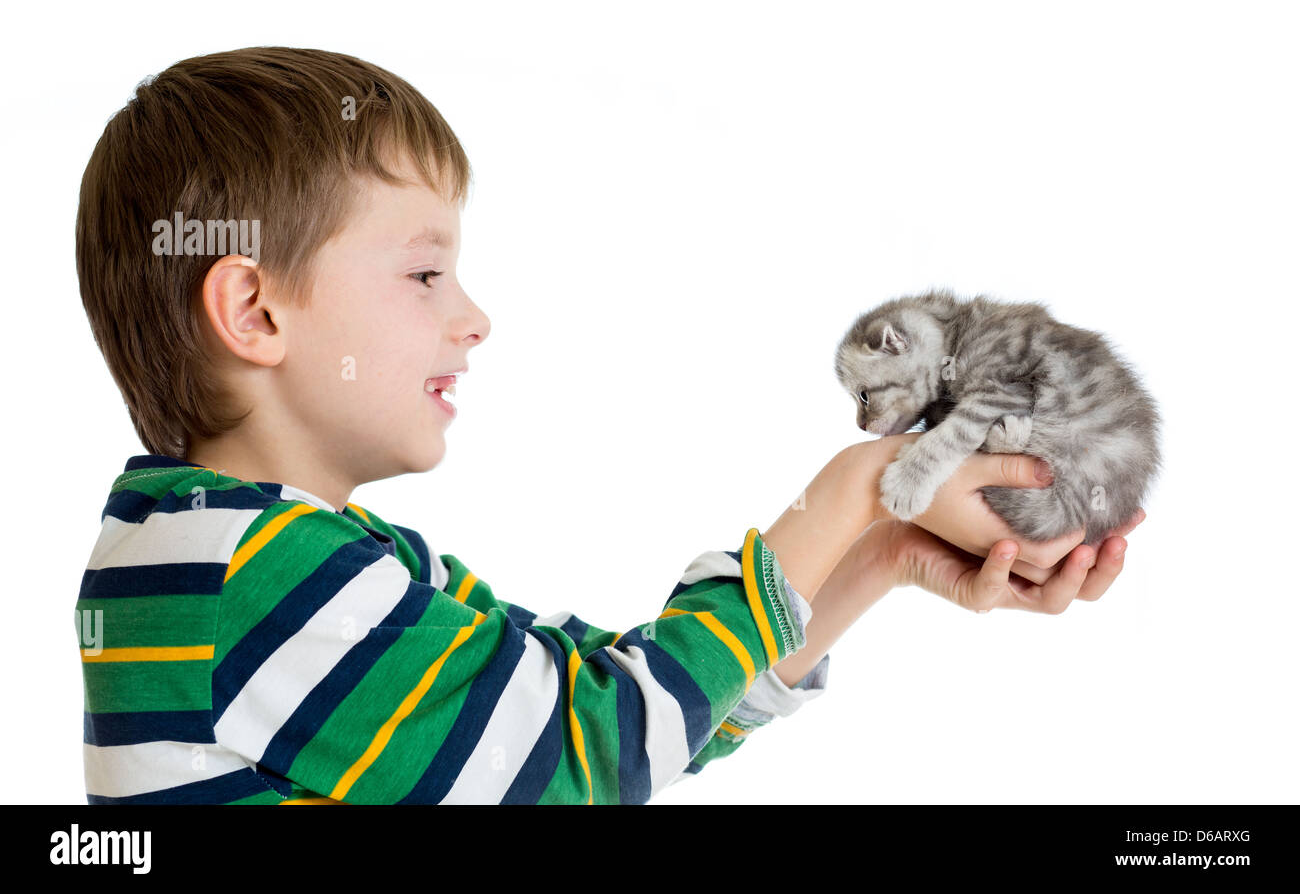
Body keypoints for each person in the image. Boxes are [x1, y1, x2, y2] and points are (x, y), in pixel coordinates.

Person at [74, 47, 1143, 804]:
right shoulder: (249, 574)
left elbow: (621, 703)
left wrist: (879, 554)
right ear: (256, 311)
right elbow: (591, 755)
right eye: (423, 271)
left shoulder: (268, 554)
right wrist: (864, 480)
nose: (472, 316)